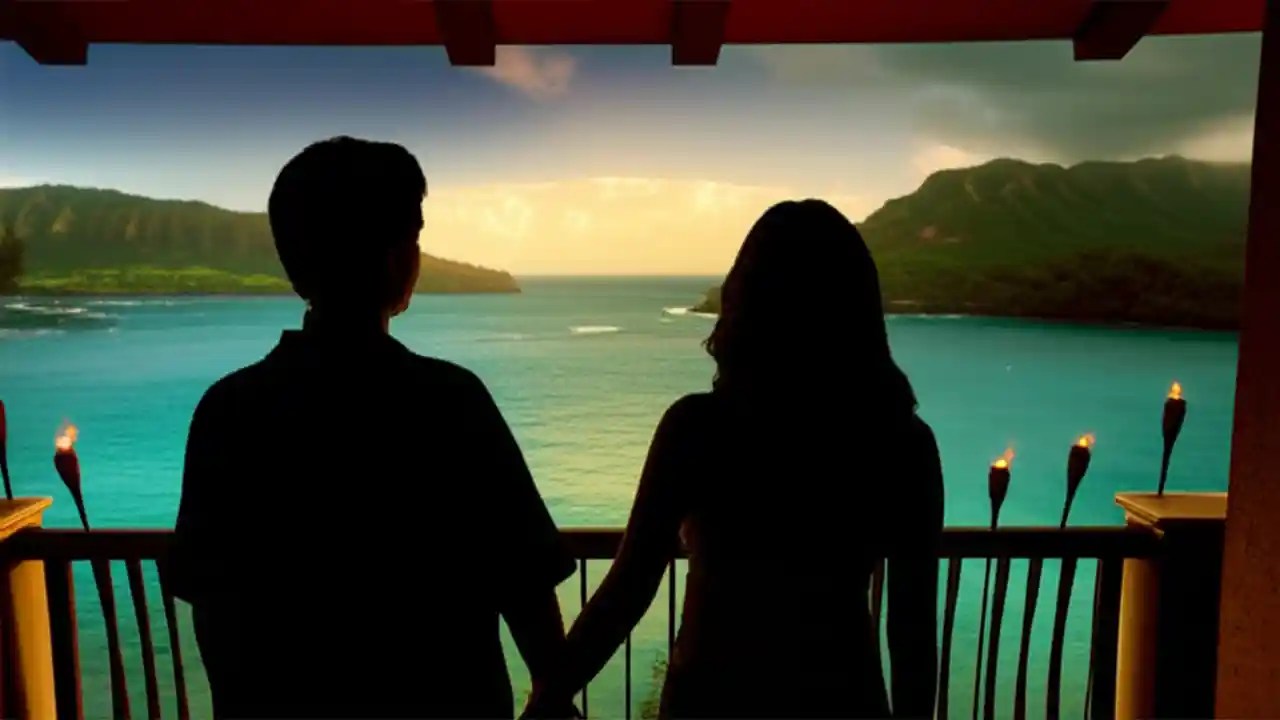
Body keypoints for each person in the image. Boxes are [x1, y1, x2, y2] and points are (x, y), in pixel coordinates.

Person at [169, 136, 577, 718]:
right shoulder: (450, 401)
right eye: (413, 237)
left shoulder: (228, 410)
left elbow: (211, 606)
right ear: (393, 257)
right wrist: (553, 695)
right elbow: (526, 582)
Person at [526, 200, 944, 719]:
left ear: (744, 302)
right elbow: (912, 634)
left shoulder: (696, 428)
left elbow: (627, 592)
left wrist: (548, 696)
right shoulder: (903, 445)